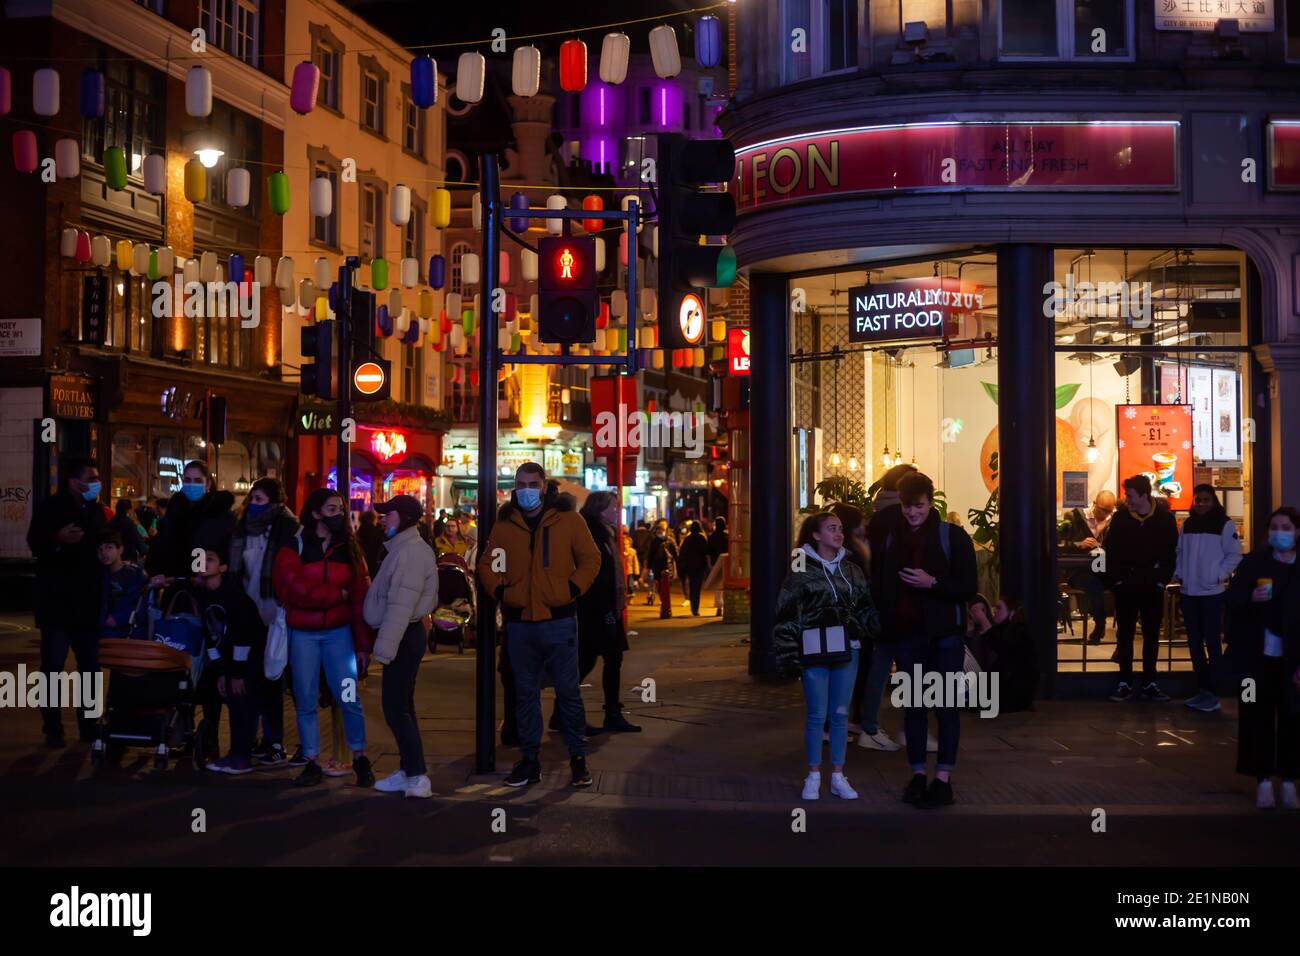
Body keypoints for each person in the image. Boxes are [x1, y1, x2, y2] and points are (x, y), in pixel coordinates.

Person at [477, 462, 601, 789]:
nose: (527, 489)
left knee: (567, 693)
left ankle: (577, 759)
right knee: (525, 694)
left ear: (544, 486)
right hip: (520, 623)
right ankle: (530, 760)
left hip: (558, 621)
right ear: (515, 486)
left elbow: (591, 558)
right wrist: (501, 590)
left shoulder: (569, 521)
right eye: (521, 483)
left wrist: (571, 590)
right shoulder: (504, 527)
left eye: (533, 483)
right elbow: (488, 564)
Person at [873, 471, 978, 808]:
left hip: (944, 635)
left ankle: (943, 779)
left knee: (945, 709)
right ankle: (918, 775)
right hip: (907, 635)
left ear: (931, 502)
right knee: (915, 708)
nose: (912, 513)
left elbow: (968, 587)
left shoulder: (953, 537)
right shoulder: (894, 538)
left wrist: (932, 583)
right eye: (906, 507)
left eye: (917, 506)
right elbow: (885, 585)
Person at [774, 511, 880, 801]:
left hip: (848, 648)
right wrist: (787, 654)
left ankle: (837, 775)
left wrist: (867, 628)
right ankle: (813, 775)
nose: (839, 534)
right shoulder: (800, 567)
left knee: (840, 714)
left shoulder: (851, 569)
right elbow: (786, 612)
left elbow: (865, 607)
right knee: (816, 714)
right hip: (814, 648)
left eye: (841, 529)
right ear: (816, 535)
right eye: (832, 529)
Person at [272, 488, 375, 788]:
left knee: (348, 697)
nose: (339, 514)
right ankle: (312, 760)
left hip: (339, 635)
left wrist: (363, 645)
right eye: (332, 509)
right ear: (315, 512)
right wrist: (337, 595)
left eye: (340, 509)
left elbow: (359, 598)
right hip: (303, 634)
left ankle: (359, 757)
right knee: (304, 698)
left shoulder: (349, 547)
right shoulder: (295, 544)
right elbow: (293, 589)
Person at [26, 457, 107, 747]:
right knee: (52, 668)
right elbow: (35, 542)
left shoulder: (96, 510)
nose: (96, 482)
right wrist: (58, 539)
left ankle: (89, 725)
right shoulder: (51, 507)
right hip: (58, 602)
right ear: (75, 481)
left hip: (87, 602)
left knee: (89, 667)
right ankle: (52, 727)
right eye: (92, 477)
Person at [1225, 506, 1300, 810]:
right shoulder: (1255, 563)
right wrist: (1249, 599)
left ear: (1296, 531)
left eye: (1285, 527)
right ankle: (1263, 780)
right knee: (1256, 717)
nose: (1278, 533)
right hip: (1256, 658)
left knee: (1293, 719)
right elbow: (1232, 599)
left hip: (1291, 661)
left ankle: (1290, 780)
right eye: (1274, 527)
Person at [365, 495, 439, 798]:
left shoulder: (408, 553)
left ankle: (417, 775)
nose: (382, 519)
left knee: (395, 708)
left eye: (388, 514)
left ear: (405, 517)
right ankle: (410, 770)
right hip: (404, 634)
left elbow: (399, 606)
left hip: (403, 635)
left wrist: (383, 650)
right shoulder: (404, 549)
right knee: (402, 706)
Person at [228, 478, 299, 768]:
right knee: (251, 678)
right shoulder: (241, 527)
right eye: (252, 499)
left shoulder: (286, 526)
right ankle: (258, 739)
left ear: (273, 501)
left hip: (274, 613)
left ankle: (276, 742)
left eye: (260, 499)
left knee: (272, 680)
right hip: (247, 612)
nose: (254, 505)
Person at [855, 463, 919, 752]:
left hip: (881, 599)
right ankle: (898, 728)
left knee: (882, 665)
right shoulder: (902, 516)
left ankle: (877, 726)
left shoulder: (878, 514)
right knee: (906, 666)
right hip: (900, 599)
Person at [1101, 474, 1179, 703]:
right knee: (1124, 634)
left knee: (1151, 634)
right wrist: (1115, 581)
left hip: (1152, 586)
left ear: (1144, 495)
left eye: (1130, 495)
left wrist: (1161, 580)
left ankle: (1150, 682)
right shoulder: (1121, 518)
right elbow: (1109, 550)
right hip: (1125, 585)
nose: (1127, 500)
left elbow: (1171, 552)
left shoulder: (1164, 518)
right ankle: (1124, 681)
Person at [194, 545, 267, 775]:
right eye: (201, 559)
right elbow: (211, 636)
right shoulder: (205, 595)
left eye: (211, 559)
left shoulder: (234, 596)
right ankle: (235, 754)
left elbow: (244, 636)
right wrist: (221, 672)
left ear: (223, 567)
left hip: (249, 659)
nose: (204, 562)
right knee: (235, 705)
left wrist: (236, 673)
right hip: (230, 660)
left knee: (243, 704)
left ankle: (241, 758)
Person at [575, 492, 641, 734]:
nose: (617, 511)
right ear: (600, 509)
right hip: (595, 609)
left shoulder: (606, 532)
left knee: (603, 658)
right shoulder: (593, 533)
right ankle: (606, 713)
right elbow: (597, 575)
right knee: (593, 659)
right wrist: (607, 610)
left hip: (604, 608)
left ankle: (569, 712)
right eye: (614, 507)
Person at [1175, 484, 1243, 712]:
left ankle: (1214, 692)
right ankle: (1202, 689)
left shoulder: (1225, 524)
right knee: (1194, 644)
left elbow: (1234, 555)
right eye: (1198, 500)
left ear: (1213, 501)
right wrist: (1181, 575)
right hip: (1189, 593)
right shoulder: (1188, 524)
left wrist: (1218, 575)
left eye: (1206, 500)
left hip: (1212, 593)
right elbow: (1180, 552)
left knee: (1212, 643)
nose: (1201, 503)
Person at [1065, 490, 1117, 644]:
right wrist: (1078, 544)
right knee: (1093, 584)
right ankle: (1100, 624)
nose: (1105, 514)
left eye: (1109, 511)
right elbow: (1060, 544)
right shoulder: (1074, 517)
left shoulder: (1112, 521)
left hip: (1102, 566)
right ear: (1094, 504)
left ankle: (1124, 630)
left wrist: (1103, 547)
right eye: (1102, 510)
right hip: (1079, 568)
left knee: (1120, 582)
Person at [98, 530, 146, 639]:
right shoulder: (100, 574)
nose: (104, 553)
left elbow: (140, 603)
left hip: (127, 632)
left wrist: (119, 618)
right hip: (102, 631)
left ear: (120, 549)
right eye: (100, 549)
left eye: (109, 547)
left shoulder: (133, 574)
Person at [645, 519, 680, 619]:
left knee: (667, 586)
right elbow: (650, 554)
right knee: (660, 586)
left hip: (668, 567)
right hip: (657, 567)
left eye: (663, 529)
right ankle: (664, 601)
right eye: (659, 529)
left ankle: (665, 604)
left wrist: (679, 564)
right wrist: (648, 567)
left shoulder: (670, 540)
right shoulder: (654, 541)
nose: (661, 532)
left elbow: (676, 554)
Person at [678, 521, 711, 616]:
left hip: (689, 566)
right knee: (697, 587)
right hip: (700, 566)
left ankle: (693, 607)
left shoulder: (687, 539)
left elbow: (682, 553)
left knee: (692, 586)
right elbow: (706, 551)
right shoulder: (702, 538)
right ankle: (695, 608)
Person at [108, 498, 145, 563]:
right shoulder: (129, 523)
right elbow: (137, 540)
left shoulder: (111, 522)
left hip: (113, 557)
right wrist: (143, 550)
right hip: (127, 558)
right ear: (128, 510)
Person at [707, 516, 730, 615]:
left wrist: (709, 563)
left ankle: (719, 607)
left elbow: (708, 551)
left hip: (715, 562)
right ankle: (727, 605)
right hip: (727, 562)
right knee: (727, 584)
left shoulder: (712, 537)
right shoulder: (727, 536)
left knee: (718, 585)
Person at [355, 509, 386, 579]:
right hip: (374, 567)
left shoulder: (356, 534)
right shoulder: (379, 533)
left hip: (360, 567)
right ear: (373, 519)